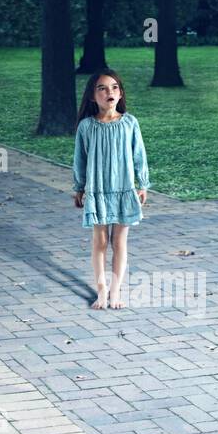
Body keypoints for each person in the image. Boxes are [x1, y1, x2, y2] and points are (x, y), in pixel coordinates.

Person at [72, 68, 150, 309]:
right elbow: (80, 159)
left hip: (124, 189)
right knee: (100, 242)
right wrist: (79, 187)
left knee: (119, 242)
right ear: (92, 96)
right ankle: (101, 289)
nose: (110, 92)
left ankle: (116, 290)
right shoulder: (86, 126)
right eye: (102, 88)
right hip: (97, 191)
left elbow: (139, 155)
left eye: (114, 87)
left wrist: (143, 184)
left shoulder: (129, 123)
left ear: (120, 93)